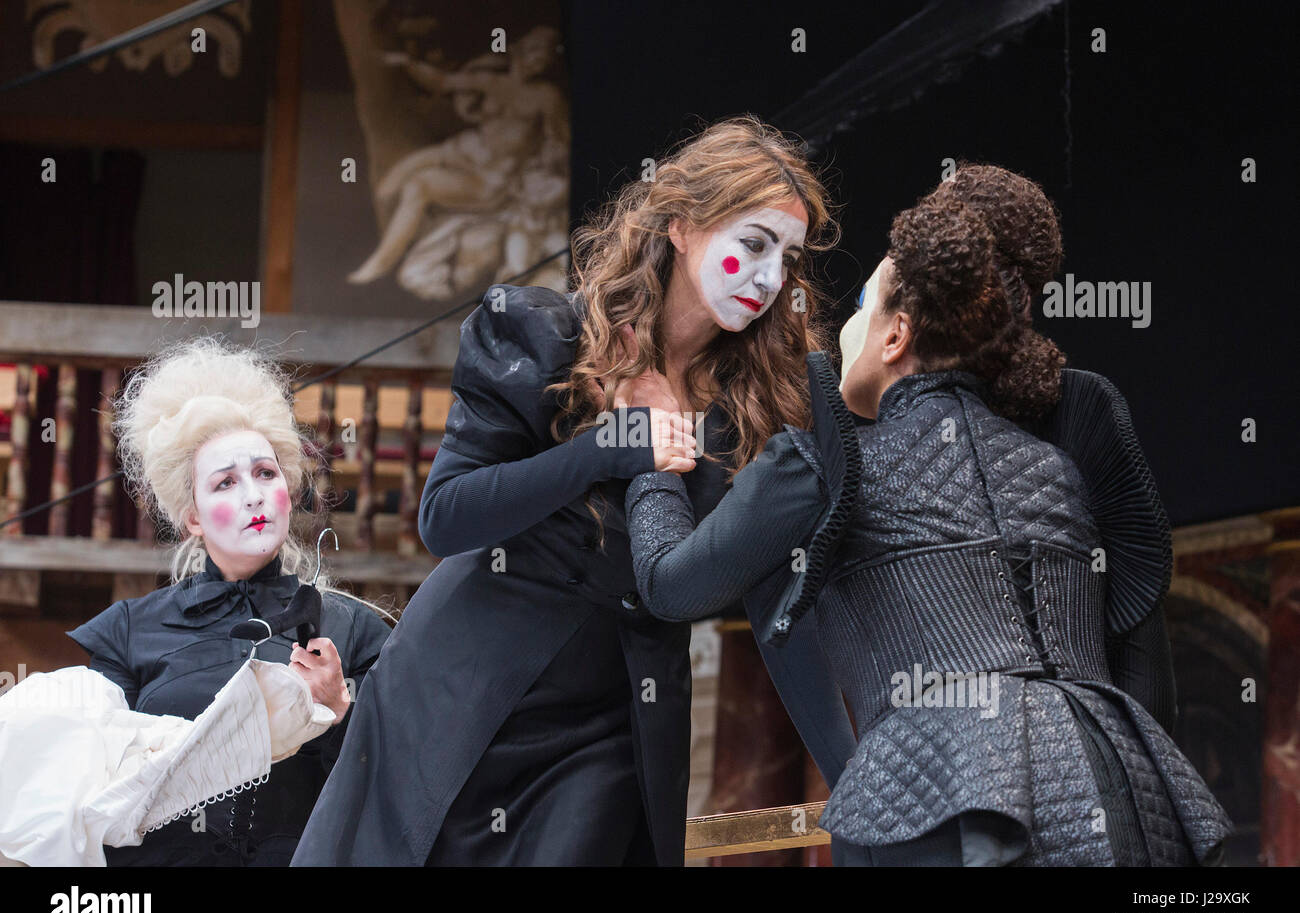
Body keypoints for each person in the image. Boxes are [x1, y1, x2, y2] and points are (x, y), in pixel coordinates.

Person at [625, 164, 1233, 865]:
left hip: (953, 797)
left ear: (895, 337)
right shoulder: (1060, 463)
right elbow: (1143, 671)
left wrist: (652, 452)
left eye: (862, 305)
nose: (844, 326)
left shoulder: (820, 460)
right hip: (1134, 788)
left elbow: (672, 585)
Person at [292, 116, 844, 866]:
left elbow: (765, 596)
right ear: (681, 227)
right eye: (753, 243)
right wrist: (610, 449)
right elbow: (447, 518)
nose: (770, 277)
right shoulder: (542, 337)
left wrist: (852, 770)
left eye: (786, 257)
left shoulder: (762, 412)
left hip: (616, 712)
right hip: (464, 683)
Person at [65, 338, 392, 866]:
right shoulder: (129, 630)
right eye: (225, 482)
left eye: (266, 473)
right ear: (192, 516)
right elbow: (95, 785)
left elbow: (398, 784)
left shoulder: (353, 630)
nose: (253, 495)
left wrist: (339, 712)